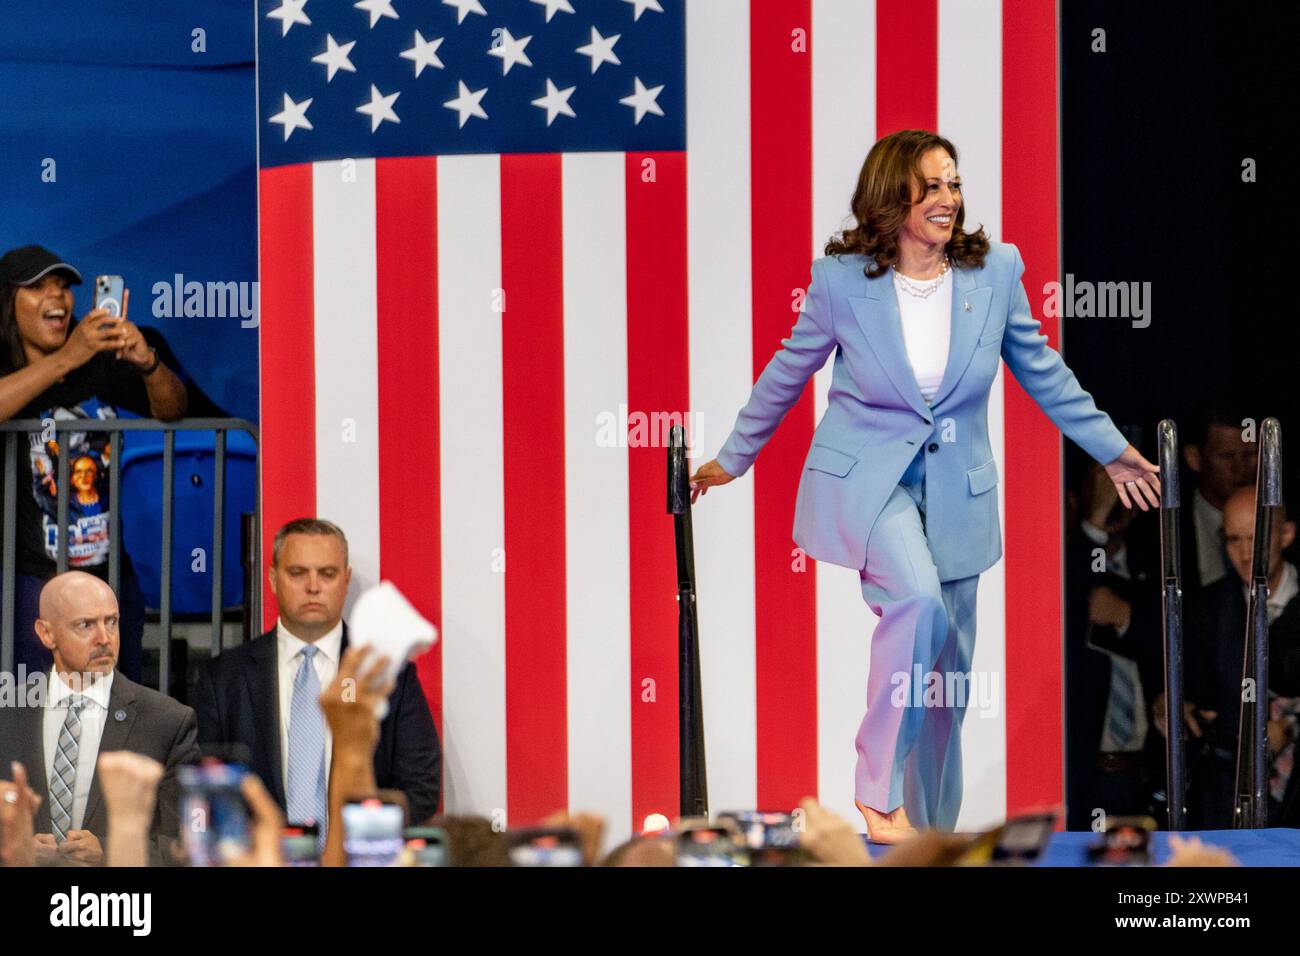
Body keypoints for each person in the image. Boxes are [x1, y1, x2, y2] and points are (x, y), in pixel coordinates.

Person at [689, 129, 1159, 843]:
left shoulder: (995, 272)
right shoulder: (843, 282)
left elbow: (1044, 373)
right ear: (891, 197)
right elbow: (788, 371)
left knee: (945, 687)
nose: (949, 198)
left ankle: (930, 840)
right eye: (931, 186)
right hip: (870, 485)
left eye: (954, 184)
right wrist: (733, 456)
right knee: (915, 600)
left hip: (958, 497)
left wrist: (1112, 448)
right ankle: (876, 796)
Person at [0, 245, 188, 683]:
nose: (58, 297)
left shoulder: (97, 365)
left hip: (108, 577)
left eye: (63, 287)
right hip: (30, 578)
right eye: (39, 287)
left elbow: (172, 408)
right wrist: (69, 356)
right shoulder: (10, 364)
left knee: (114, 710)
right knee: (34, 715)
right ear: (9, 301)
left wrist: (149, 364)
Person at [194, 518, 442, 830]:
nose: (313, 587)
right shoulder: (223, 677)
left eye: (327, 573)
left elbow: (421, 789)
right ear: (272, 578)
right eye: (298, 573)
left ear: (346, 579)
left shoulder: (387, 675)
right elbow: (207, 786)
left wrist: (355, 842)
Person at [0, 571, 199, 865]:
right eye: (85, 625)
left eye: (112, 622)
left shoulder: (167, 722)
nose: (104, 639)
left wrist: (109, 851)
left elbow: (187, 846)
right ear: (46, 633)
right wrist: (15, 849)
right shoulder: (7, 715)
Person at [1165, 487, 1300, 828]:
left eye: (1254, 539)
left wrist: (1292, 726)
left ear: (1286, 535)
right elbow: (1191, 694)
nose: (1244, 554)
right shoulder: (1205, 612)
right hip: (1227, 806)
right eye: (1233, 540)